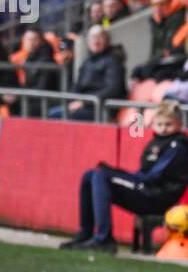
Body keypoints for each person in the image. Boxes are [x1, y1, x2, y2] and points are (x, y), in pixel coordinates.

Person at [61, 101, 188, 253]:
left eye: (169, 124)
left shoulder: (178, 146)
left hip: (156, 197)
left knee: (102, 176)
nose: (164, 129)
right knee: (90, 175)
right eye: (159, 124)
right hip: (146, 189)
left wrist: (118, 174)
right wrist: (118, 173)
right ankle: (85, 234)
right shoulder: (157, 142)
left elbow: (154, 177)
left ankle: (104, 239)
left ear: (179, 124)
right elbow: (143, 174)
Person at [49, 26, 125, 120]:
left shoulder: (113, 61)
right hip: (85, 105)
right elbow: (77, 86)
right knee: (51, 113)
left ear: (107, 40)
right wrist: (72, 100)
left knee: (67, 117)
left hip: (101, 108)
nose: (96, 41)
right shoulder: (87, 62)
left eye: (99, 37)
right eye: (93, 37)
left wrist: (84, 102)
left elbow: (112, 89)